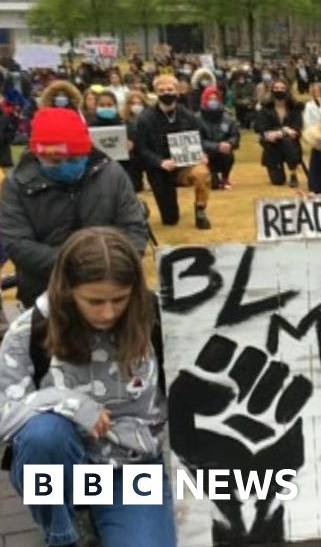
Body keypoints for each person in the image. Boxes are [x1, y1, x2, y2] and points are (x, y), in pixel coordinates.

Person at [0, 227, 176, 546]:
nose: (108, 312)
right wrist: (67, 403)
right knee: (43, 435)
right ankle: (63, 534)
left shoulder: (160, 317)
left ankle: (102, 517)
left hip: (131, 468)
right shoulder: (29, 329)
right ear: (68, 290)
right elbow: (3, 418)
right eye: (94, 301)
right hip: (64, 465)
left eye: (119, 300)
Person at [0, 108, 148, 309]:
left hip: (110, 291)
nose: (65, 166)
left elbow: (135, 228)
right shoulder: (16, 184)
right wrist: (80, 266)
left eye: (73, 159)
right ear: (37, 154)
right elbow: (17, 244)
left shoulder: (112, 173)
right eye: (55, 161)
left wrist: (113, 267)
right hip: (45, 293)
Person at [133, 74, 213, 229]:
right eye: (161, 90)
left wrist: (202, 153)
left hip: (184, 165)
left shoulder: (188, 115)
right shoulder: (145, 118)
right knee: (170, 220)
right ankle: (169, 210)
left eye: (170, 89)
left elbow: (199, 139)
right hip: (159, 170)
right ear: (155, 92)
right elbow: (141, 149)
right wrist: (160, 162)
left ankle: (200, 210)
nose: (166, 93)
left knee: (201, 173)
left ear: (177, 91)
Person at [253, 77, 305, 188]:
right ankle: (278, 168)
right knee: (278, 181)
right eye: (276, 88)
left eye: (282, 88)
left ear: (287, 90)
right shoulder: (265, 109)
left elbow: (297, 128)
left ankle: (293, 174)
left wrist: (282, 133)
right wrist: (283, 131)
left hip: (290, 144)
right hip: (272, 146)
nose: (279, 90)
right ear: (272, 90)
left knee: (288, 142)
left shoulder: (295, 108)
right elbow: (260, 128)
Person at [197, 86, 240, 191]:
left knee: (229, 154)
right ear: (204, 100)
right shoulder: (197, 119)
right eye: (210, 99)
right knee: (214, 185)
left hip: (223, 153)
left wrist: (230, 143)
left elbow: (235, 135)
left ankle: (225, 178)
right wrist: (216, 146)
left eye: (215, 99)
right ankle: (212, 176)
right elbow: (197, 140)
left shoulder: (228, 118)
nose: (213, 101)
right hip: (205, 156)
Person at [120, 90, 149, 192]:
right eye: (133, 103)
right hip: (132, 156)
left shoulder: (150, 118)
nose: (136, 106)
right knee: (135, 187)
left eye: (139, 103)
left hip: (149, 153)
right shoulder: (122, 120)